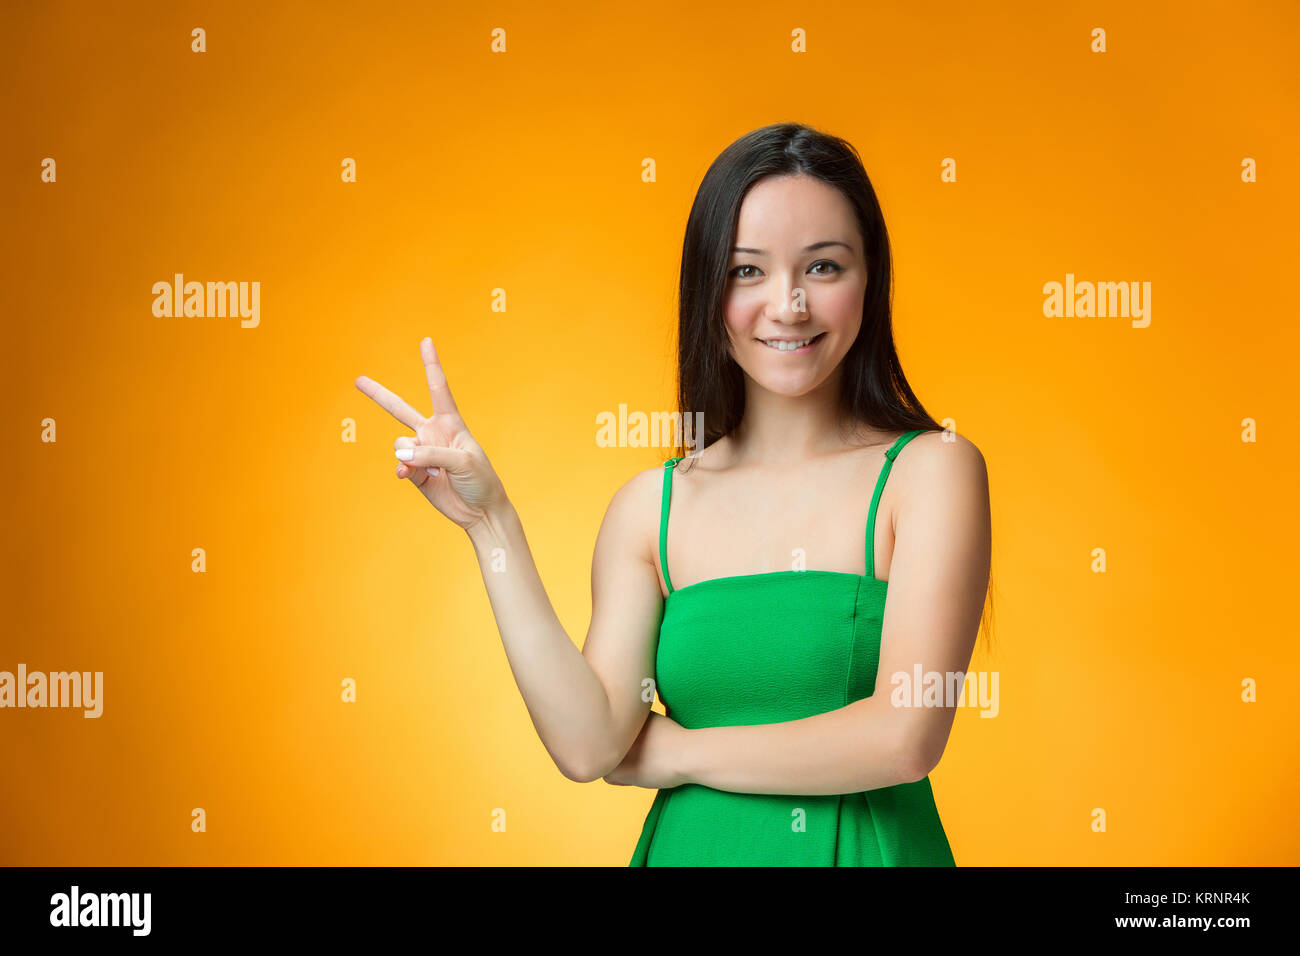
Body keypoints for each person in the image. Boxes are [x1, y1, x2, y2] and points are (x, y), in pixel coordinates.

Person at [355, 121, 992, 866]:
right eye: (747, 271)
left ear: (868, 280)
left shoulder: (932, 471)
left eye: (822, 267)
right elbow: (591, 742)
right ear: (707, 289)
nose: (788, 305)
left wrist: (680, 753)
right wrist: (490, 522)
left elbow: (904, 738)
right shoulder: (651, 508)